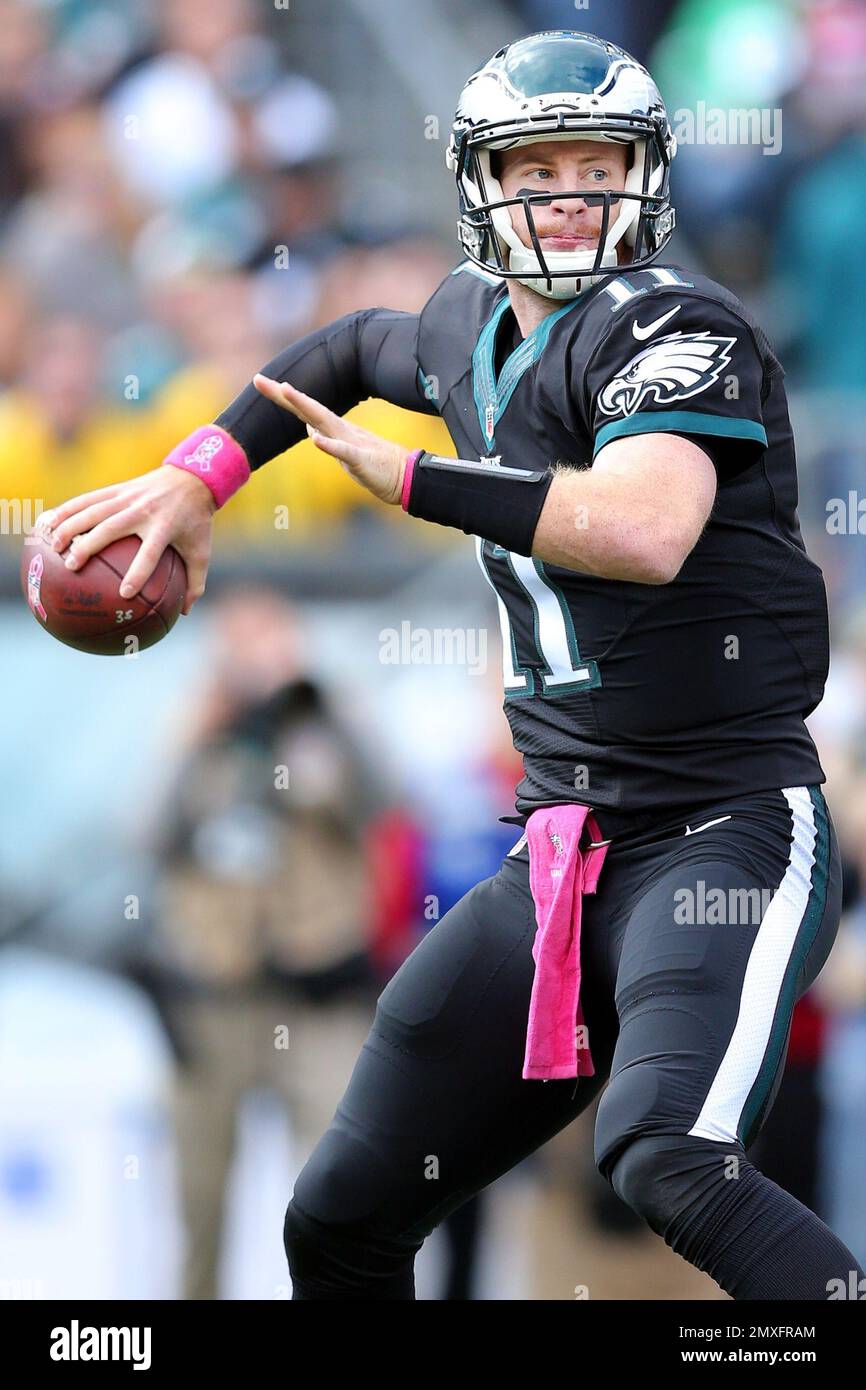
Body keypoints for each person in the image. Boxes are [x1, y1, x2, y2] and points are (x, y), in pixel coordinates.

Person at [38, 31, 863, 1300]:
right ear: (484, 183)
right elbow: (337, 352)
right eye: (541, 165)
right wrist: (194, 477)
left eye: (600, 163)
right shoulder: (465, 325)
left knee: (668, 1161)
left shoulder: (677, 324)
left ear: (644, 177)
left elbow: (642, 529)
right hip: (562, 843)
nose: (573, 193)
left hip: (724, 825)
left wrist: (419, 480)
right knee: (338, 1214)